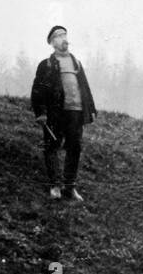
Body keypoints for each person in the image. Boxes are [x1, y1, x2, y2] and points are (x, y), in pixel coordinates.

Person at [30, 24, 96, 202]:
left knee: (74, 148)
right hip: (55, 113)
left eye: (65, 35)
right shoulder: (47, 65)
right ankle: (55, 186)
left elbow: (85, 88)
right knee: (52, 147)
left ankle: (69, 187)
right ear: (52, 43)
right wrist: (41, 113)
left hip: (75, 112)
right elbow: (38, 91)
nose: (64, 39)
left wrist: (90, 110)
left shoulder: (76, 63)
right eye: (59, 36)